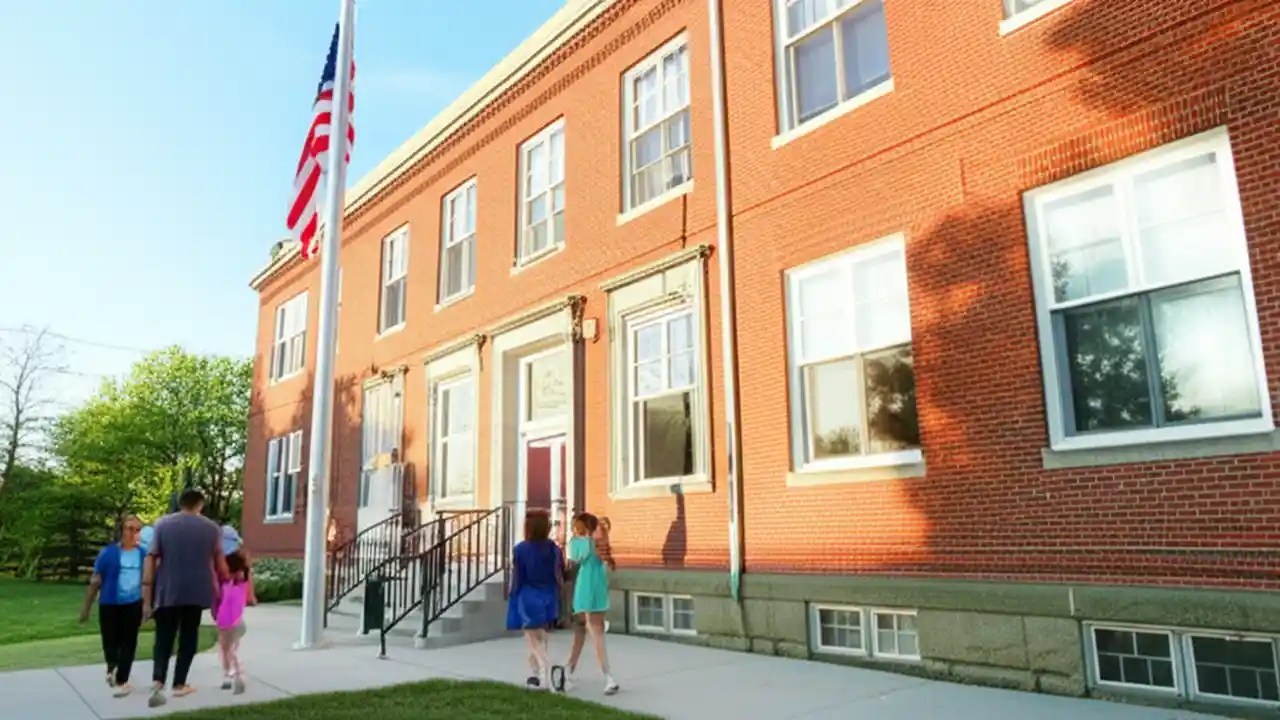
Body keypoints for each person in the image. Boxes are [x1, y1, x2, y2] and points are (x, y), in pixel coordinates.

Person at [142, 488, 228, 708]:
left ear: (180, 503)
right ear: (200, 504)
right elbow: (219, 563)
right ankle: (179, 684)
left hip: (167, 589)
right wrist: (222, 589)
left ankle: (158, 680)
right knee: (189, 636)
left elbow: (152, 557)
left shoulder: (162, 524)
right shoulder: (212, 528)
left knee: (164, 637)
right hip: (197, 590)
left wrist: (146, 593)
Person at [78, 515, 146, 698]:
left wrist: (148, 604)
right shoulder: (108, 553)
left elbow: (148, 581)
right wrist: (86, 608)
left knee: (129, 642)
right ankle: (112, 668)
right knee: (111, 641)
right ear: (121, 531)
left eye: (137, 529)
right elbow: (95, 581)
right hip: (110, 604)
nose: (133, 533)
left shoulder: (143, 554)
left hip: (133, 604)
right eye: (129, 529)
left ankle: (122, 679)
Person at [557, 513, 618, 696]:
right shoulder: (599, 541)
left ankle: (608, 677)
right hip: (598, 586)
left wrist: (570, 538)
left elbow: (574, 557)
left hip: (586, 588)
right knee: (583, 631)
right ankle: (568, 670)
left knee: (591, 633)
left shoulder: (581, 542)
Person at [505, 510, 562, 691]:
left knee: (531, 638)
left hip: (528, 594)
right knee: (539, 635)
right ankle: (535, 674)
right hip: (549, 593)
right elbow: (557, 574)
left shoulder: (520, 549)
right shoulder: (554, 548)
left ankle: (547, 669)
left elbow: (518, 576)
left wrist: (512, 593)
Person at [211, 550, 252, 695]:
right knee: (229, 650)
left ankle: (234, 675)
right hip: (236, 622)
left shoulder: (227, 585)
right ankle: (231, 676)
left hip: (227, 623)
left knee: (227, 651)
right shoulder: (241, 584)